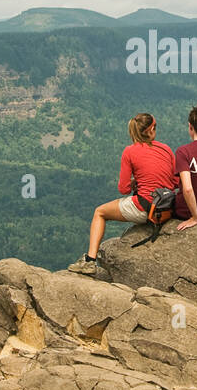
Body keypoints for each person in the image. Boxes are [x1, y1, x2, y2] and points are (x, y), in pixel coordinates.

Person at [68, 113, 176, 273]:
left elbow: (124, 189)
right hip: (166, 208)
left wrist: (136, 182)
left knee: (99, 212)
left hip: (145, 207)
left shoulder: (130, 151)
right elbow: (174, 182)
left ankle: (90, 261)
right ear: (151, 130)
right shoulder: (166, 149)